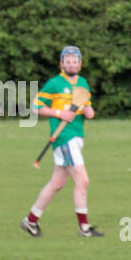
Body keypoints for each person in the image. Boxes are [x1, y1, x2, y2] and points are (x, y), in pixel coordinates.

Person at [21, 46, 101, 237]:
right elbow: (35, 107)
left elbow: (86, 106)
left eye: (75, 61)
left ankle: (31, 221)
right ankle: (84, 228)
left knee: (57, 183)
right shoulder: (54, 83)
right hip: (64, 139)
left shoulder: (83, 84)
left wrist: (89, 112)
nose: (71, 64)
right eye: (68, 61)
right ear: (61, 63)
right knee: (83, 180)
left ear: (80, 65)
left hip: (77, 136)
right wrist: (58, 113)